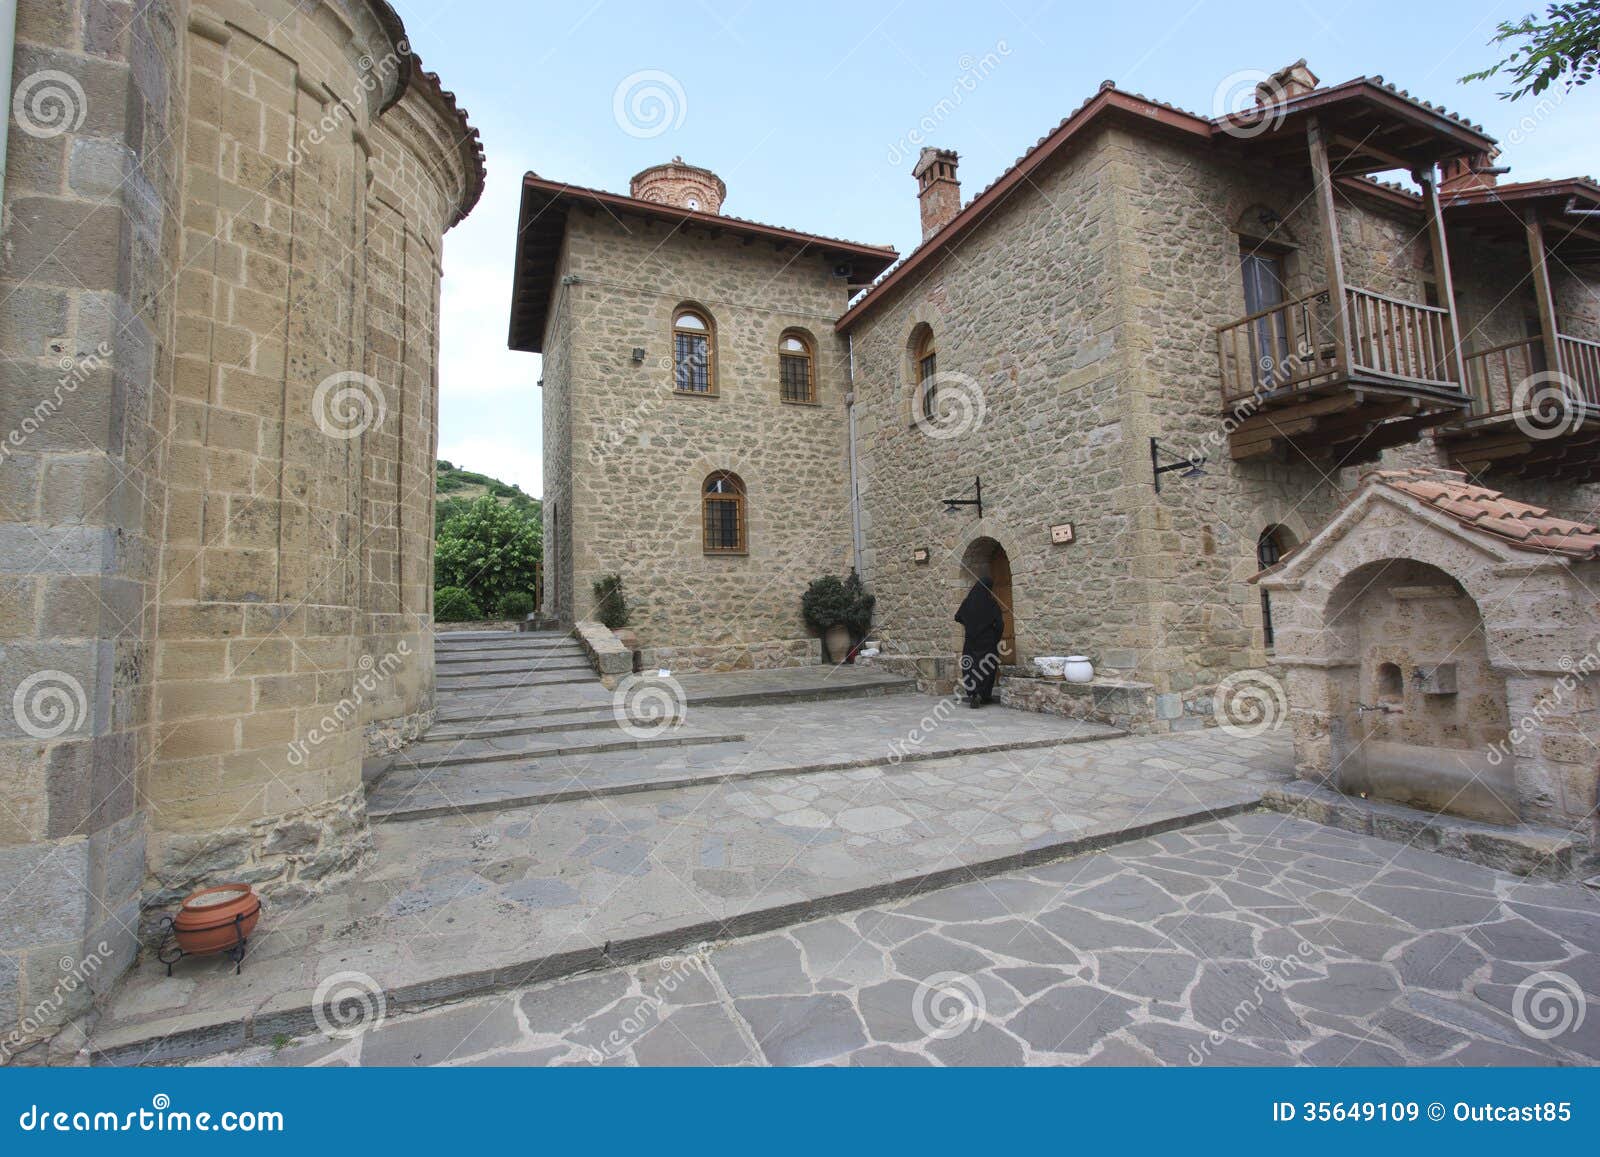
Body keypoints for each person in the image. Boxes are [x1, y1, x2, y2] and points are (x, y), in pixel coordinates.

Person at [954, 574, 1004, 708]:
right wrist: (995, 637)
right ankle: (984, 694)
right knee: (986, 667)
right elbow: (999, 624)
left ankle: (973, 693)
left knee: (970, 666)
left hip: (971, 641)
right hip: (987, 642)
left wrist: (969, 624)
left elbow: (957, 617)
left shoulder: (967, 602)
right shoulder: (991, 603)